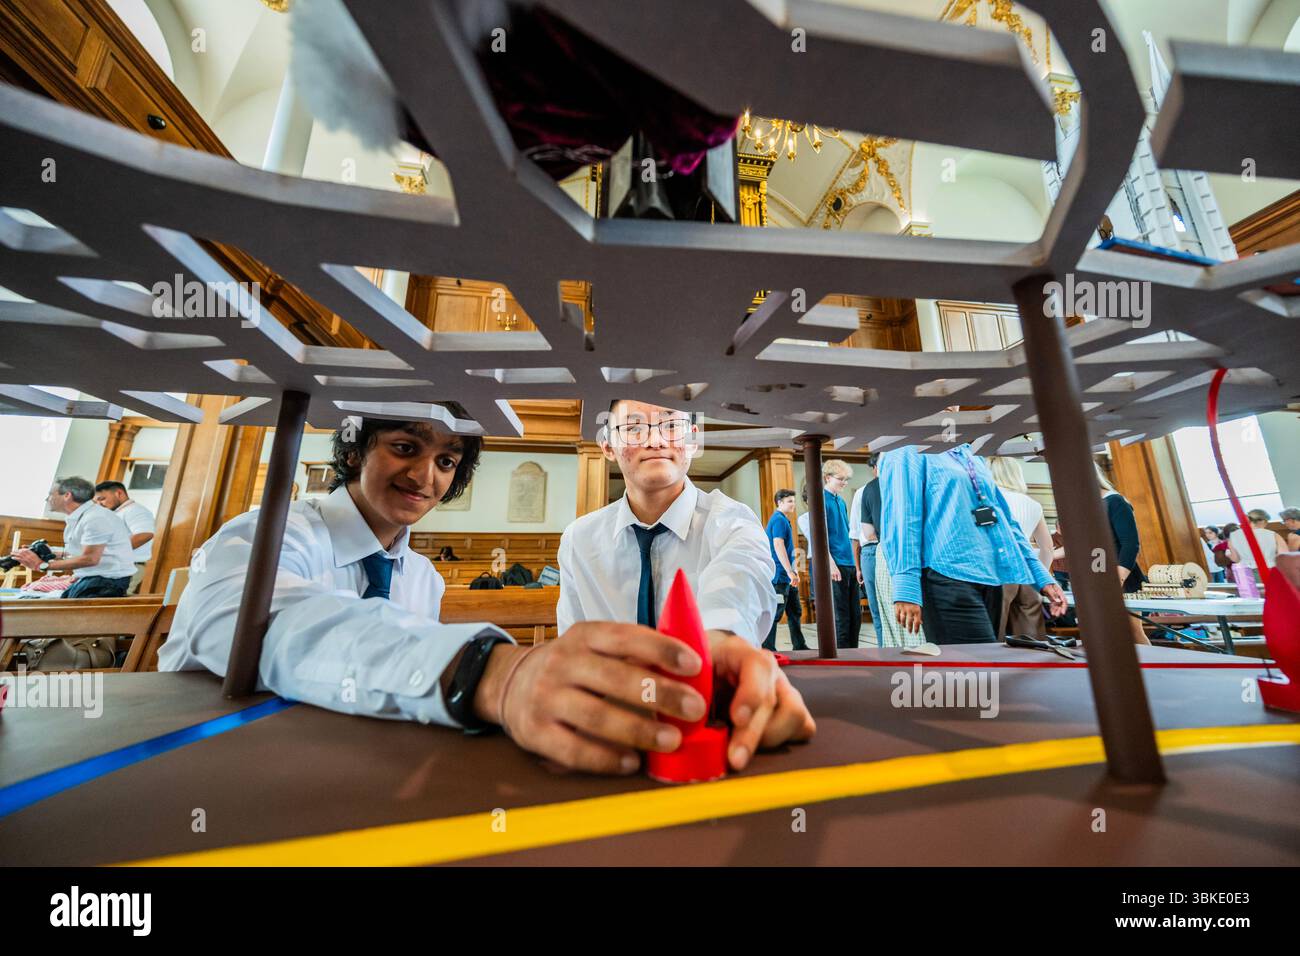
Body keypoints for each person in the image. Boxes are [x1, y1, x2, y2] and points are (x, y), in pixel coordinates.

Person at [162, 412, 811, 776]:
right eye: (406, 448)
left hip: (360, 773)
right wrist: (489, 670)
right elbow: (235, 615)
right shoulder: (283, 530)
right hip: (217, 765)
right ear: (356, 445)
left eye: (446, 461)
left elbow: (744, 574)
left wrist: (714, 646)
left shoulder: (422, 578)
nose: (423, 474)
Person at [556, 399, 814, 770]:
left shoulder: (733, 522)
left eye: (670, 425)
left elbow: (739, 580)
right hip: (608, 728)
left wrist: (716, 641)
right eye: (633, 428)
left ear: (693, 440)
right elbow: (573, 642)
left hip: (707, 712)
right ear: (608, 446)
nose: (656, 440)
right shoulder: (579, 539)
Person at [881, 445, 1066, 644]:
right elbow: (902, 519)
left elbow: (1006, 524)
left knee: (987, 663)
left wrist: (1041, 576)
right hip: (946, 577)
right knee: (977, 667)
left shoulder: (969, 453)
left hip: (991, 580)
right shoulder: (906, 451)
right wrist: (906, 586)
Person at [9, 477, 136, 598]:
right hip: (95, 578)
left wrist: (41, 565)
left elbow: (90, 559)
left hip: (106, 581)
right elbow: (83, 552)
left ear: (67, 495)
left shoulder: (95, 518)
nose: (47, 499)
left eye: (51, 494)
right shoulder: (82, 516)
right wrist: (50, 552)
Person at [987, 456, 1053, 639]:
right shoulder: (1032, 504)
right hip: (1028, 573)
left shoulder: (988, 499)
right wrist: (1039, 580)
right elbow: (1047, 547)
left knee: (995, 634)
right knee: (1031, 637)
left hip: (998, 571)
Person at [813, 459, 861, 648]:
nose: (845, 483)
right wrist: (831, 564)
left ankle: (854, 653)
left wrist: (857, 565)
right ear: (827, 477)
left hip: (849, 562)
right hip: (836, 564)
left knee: (855, 616)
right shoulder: (820, 500)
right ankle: (843, 657)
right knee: (841, 617)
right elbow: (820, 536)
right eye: (841, 479)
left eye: (846, 479)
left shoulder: (840, 501)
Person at [762, 489, 808, 652]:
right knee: (775, 613)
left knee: (795, 611)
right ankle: (767, 648)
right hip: (780, 575)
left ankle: (799, 645)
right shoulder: (779, 520)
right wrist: (789, 572)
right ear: (779, 502)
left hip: (788, 575)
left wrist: (794, 571)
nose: (793, 504)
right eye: (789, 501)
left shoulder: (783, 519)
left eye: (793, 501)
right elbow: (778, 545)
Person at [93, 480, 156, 594]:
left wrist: (107, 551)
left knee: (110, 605)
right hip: (116, 567)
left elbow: (145, 534)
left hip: (128, 567)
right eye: (96, 501)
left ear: (119, 493)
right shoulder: (118, 512)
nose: (99, 504)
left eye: (102, 499)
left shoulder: (135, 510)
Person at [855, 453, 886, 645]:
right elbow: (856, 533)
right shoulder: (864, 491)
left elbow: (866, 532)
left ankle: (887, 652)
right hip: (874, 551)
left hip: (878, 548)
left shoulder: (868, 489)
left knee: (879, 609)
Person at [1226, 508, 1287, 584]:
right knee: (1272, 594)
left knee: (1251, 595)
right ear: (1263, 521)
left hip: (1245, 572)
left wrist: (1228, 554)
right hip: (1269, 569)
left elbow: (1236, 559)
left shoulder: (1233, 535)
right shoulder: (1272, 534)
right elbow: (1284, 556)